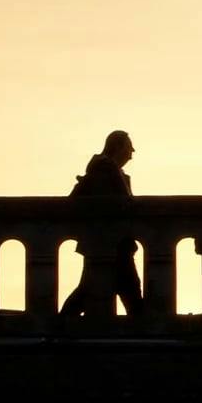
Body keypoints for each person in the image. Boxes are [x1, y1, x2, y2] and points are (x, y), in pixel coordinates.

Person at [59, 130, 144, 317]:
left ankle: (59, 325)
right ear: (118, 146)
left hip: (110, 245)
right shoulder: (105, 169)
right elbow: (117, 206)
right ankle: (58, 326)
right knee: (124, 293)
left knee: (90, 290)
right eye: (129, 147)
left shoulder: (106, 169)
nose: (132, 152)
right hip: (112, 245)